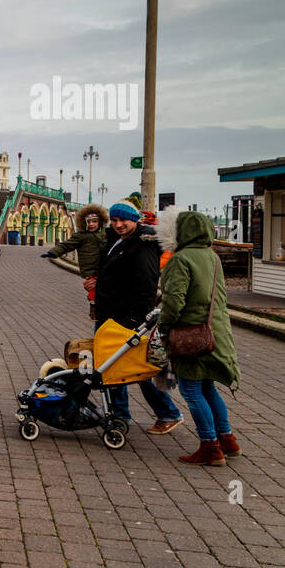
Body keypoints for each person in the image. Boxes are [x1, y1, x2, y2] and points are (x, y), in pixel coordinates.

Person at [157, 209, 241, 466]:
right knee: (208, 387)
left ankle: (210, 447)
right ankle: (228, 440)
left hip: (191, 336)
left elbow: (174, 301)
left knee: (191, 390)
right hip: (216, 333)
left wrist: (164, 326)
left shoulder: (180, 260)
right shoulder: (212, 257)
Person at [94, 198, 185, 433]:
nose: (118, 224)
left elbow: (146, 286)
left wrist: (134, 322)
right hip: (112, 316)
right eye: (114, 220)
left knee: (129, 367)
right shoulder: (121, 240)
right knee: (115, 367)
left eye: (123, 219)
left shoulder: (142, 245)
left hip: (125, 320)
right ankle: (123, 415)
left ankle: (163, 413)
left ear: (134, 219)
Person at [42, 203, 108, 320]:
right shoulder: (81, 236)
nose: (91, 224)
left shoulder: (106, 234)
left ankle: (100, 312)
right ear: (84, 223)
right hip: (91, 270)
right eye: (89, 222)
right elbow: (67, 245)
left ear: (100, 222)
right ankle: (94, 311)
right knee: (93, 292)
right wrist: (53, 252)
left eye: (94, 222)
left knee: (103, 292)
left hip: (105, 269)